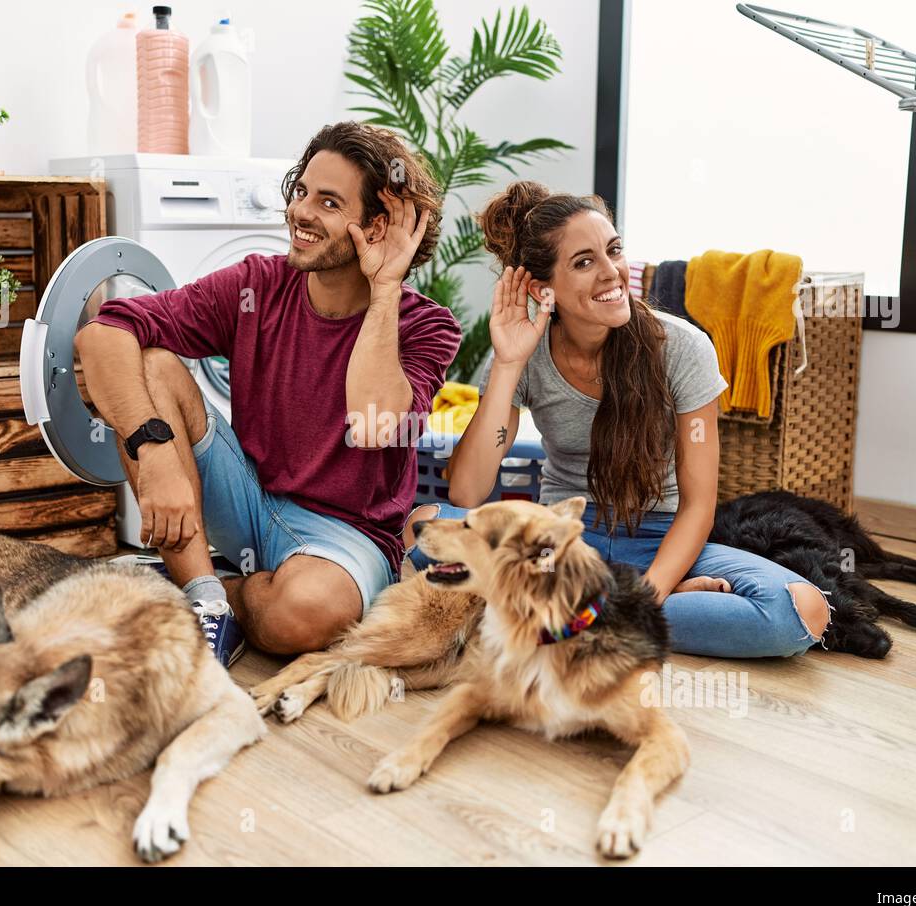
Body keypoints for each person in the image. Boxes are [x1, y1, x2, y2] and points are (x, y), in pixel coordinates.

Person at [76, 122, 462, 666]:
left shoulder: (427, 327)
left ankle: (188, 587)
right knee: (152, 363)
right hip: (247, 493)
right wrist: (156, 451)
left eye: (328, 202)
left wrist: (384, 291)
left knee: (302, 613)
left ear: (378, 228)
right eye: (301, 191)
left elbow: (375, 422)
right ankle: (208, 604)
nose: (301, 212)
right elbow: (102, 334)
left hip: (347, 533)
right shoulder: (257, 284)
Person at [404, 181, 831, 658]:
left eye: (614, 250)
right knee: (426, 526)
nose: (612, 273)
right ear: (544, 289)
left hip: (659, 541)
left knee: (798, 609)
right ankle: (613, 612)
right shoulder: (523, 353)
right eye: (584, 262)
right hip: (559, 544)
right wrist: (507, 363)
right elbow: (466, 490)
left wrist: (650, 593)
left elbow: (698, 506)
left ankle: (562, 613)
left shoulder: (683, 348)